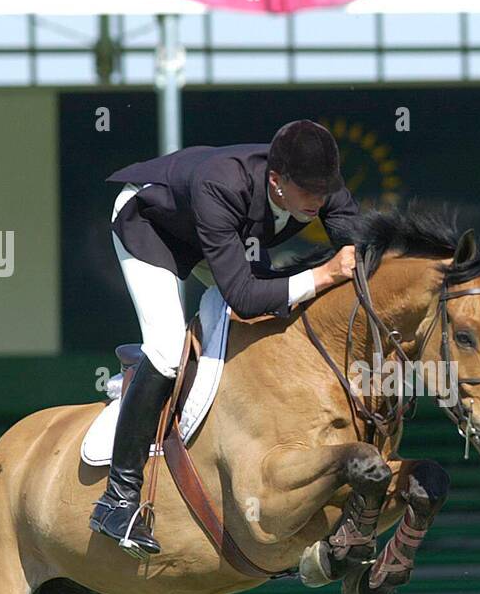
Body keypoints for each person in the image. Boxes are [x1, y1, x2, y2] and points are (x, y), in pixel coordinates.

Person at [93, 119, 360, 556]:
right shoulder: (222, 184)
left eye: (325, 189)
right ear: (276, 181)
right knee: (166, 350)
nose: (319, 200)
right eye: (309, 192)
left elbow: (361, 258)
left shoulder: (319, 186)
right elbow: (243, 297)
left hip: (219, 235)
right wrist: (323, 273)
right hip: (150, 226)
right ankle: (118, 499)